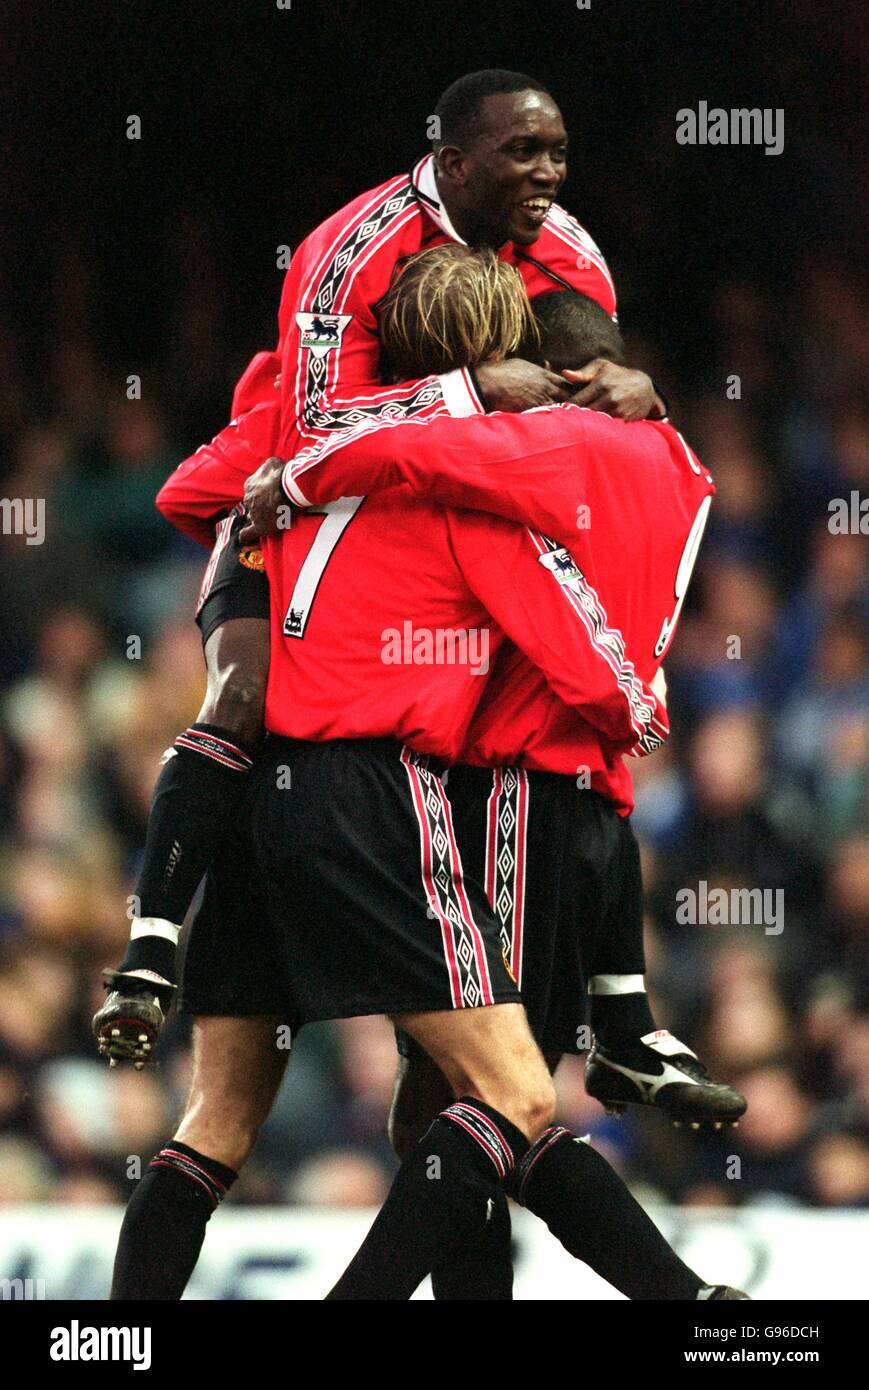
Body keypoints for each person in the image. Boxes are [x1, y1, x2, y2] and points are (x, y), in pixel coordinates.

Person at [109, 249, 746, 1303]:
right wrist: (637, 703)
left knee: (217, 1121)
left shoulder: (285, 458)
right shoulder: (466, 483)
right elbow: (579, 647)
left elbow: (197, 489)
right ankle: (674, 1278)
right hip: (379, 796)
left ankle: (111, 1340)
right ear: (501, 369)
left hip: (251, 799)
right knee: (506, 1096)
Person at [93, 69, 665, 1060]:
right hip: (290, 490)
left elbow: (572, 423)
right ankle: (150, 945)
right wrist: (465, 390)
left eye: (557, 152)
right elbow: (312, 424)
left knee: (540, 735)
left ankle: (615, 1020)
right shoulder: (343, 248)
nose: (547, 174)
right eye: (522, 153)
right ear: (450, 161)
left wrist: (633, 392)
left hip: (427, 522)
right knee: (240, 692)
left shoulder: (568, 251)